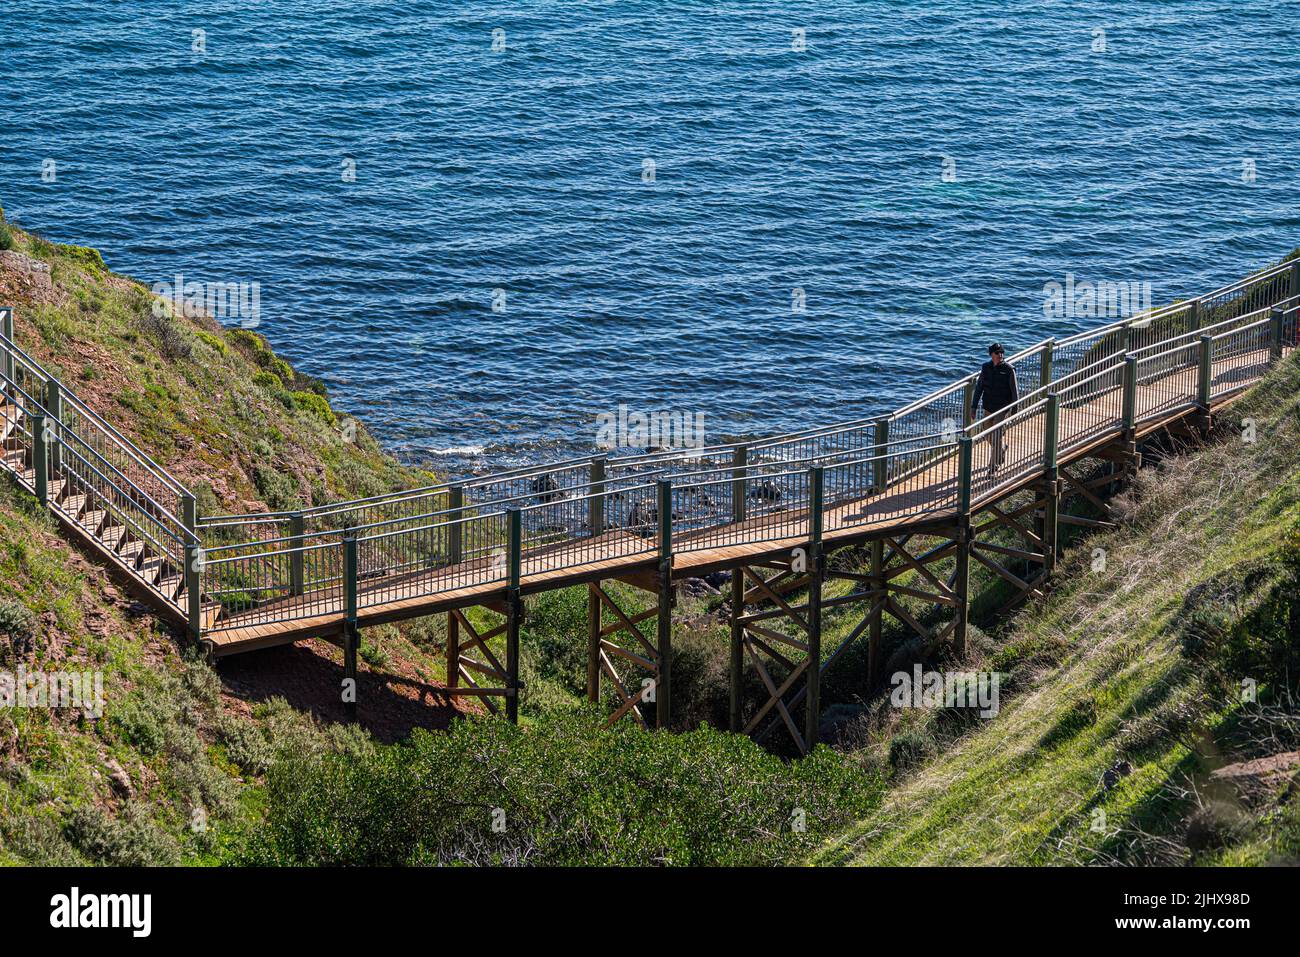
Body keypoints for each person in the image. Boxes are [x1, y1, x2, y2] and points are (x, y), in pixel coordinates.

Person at [970, 343, 1018, 471]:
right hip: (988, 407)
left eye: (1002, 352)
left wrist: (1014, 410)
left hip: (1002, 409)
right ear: (991, 355)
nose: (1000, 355)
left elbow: (1014, 391)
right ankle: (1001, 448)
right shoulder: (985, 368)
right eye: (997, 353)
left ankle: (993, 466)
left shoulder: (1009, 369)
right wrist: (973, 407)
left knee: (996, 436)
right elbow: (979, 388)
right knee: (987, 433)